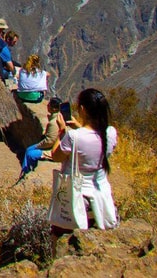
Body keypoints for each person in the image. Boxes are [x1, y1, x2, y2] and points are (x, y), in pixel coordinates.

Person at [50, 88, 119, 231]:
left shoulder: (73, 137)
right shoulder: (110, 133)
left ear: (82, 109)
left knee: (57, 233)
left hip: (76, 196)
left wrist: (62, 132)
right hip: (101, 196)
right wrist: (79, 126)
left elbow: (55, 156)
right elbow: (93, 141)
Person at [17, 96, 67, 181]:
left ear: (54, 109)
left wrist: (38, 146)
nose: (47, 105)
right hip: (55, 145)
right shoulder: (59, 117)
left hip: (54, 149)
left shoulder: (53, 122)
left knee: (30, 153)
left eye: (49, 104)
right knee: (29, 149)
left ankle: (26, 172)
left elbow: (50, 141)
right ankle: (27, 171)